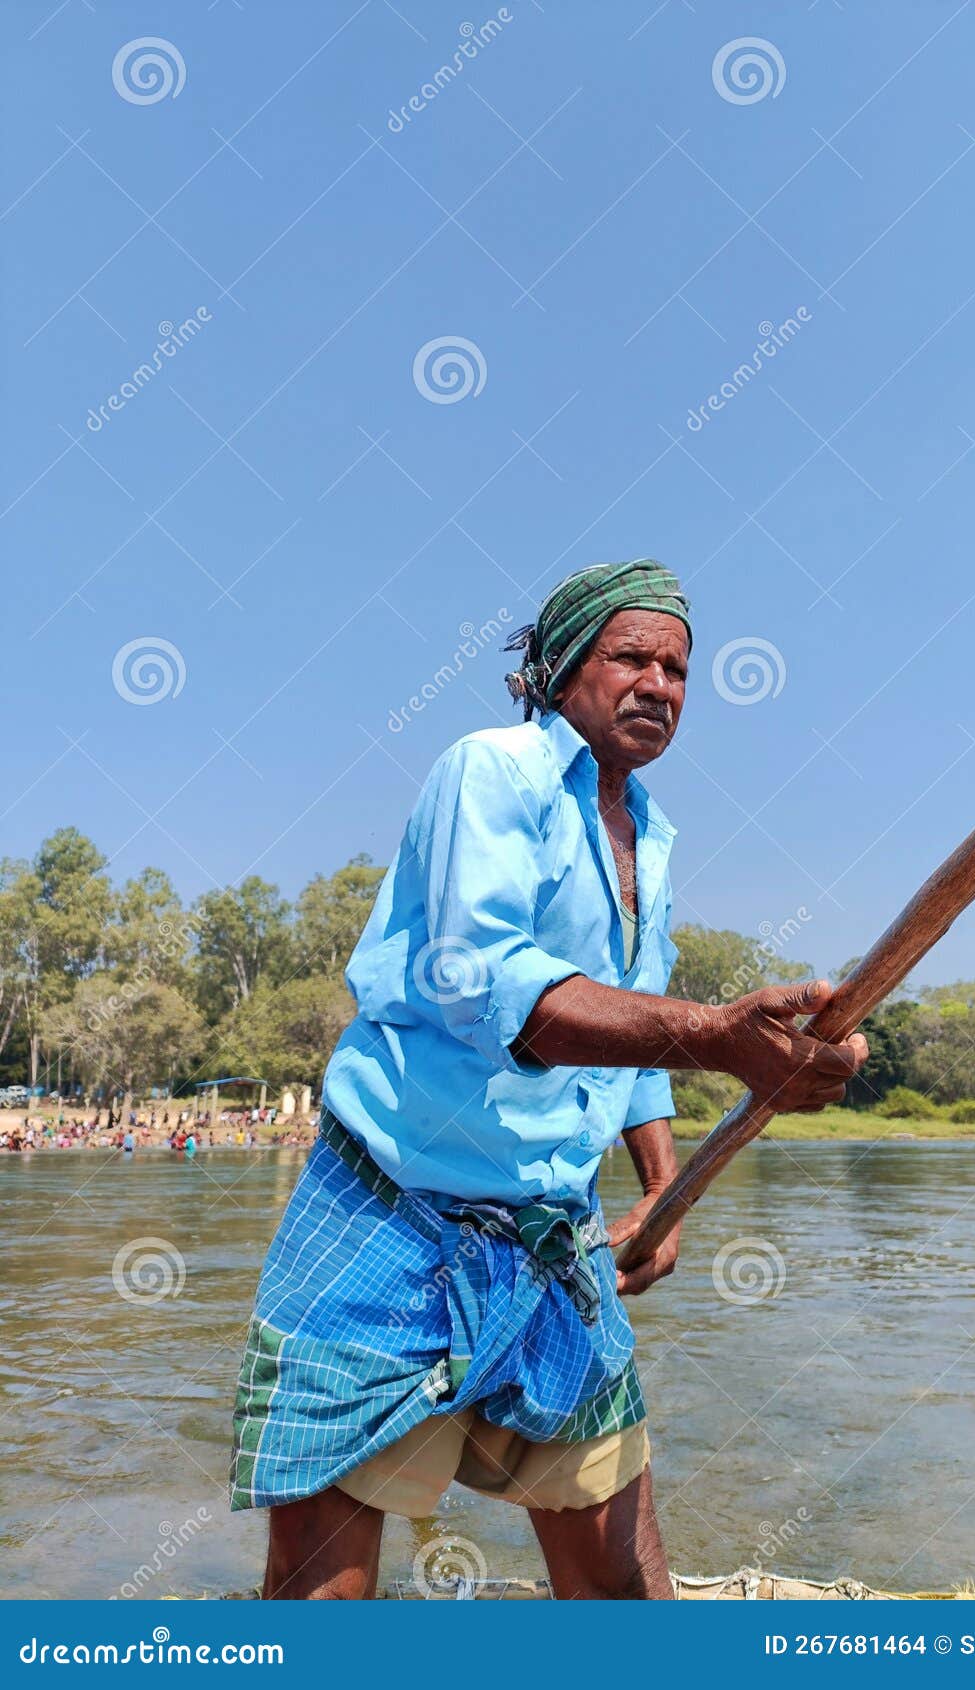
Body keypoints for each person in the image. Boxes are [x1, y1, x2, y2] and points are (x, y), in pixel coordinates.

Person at [230, 558, 868, 1600]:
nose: (658, 684)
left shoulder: (648, 837)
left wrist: (662, 1186)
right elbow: (500, 990)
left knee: (624, 1588)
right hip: (389, 1208)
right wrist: (716, 1034)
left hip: (547, 1225)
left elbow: (634, 1028)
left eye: (677, 668)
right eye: (631, 657)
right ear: (565, 668)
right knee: (322, 1593)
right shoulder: (493, 770)